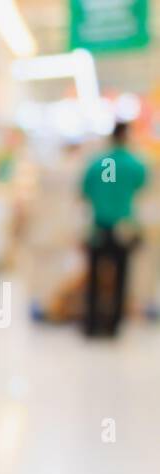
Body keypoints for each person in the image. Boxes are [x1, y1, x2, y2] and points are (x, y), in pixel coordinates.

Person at [81, 121, 148, 337]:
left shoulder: (97, 163)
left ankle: (91, 324)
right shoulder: (134, 164)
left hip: (98, 225)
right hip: (123, 227)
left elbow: (84, 190)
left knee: (93, 276)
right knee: (121, 277)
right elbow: (141, 186)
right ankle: (114, 326)